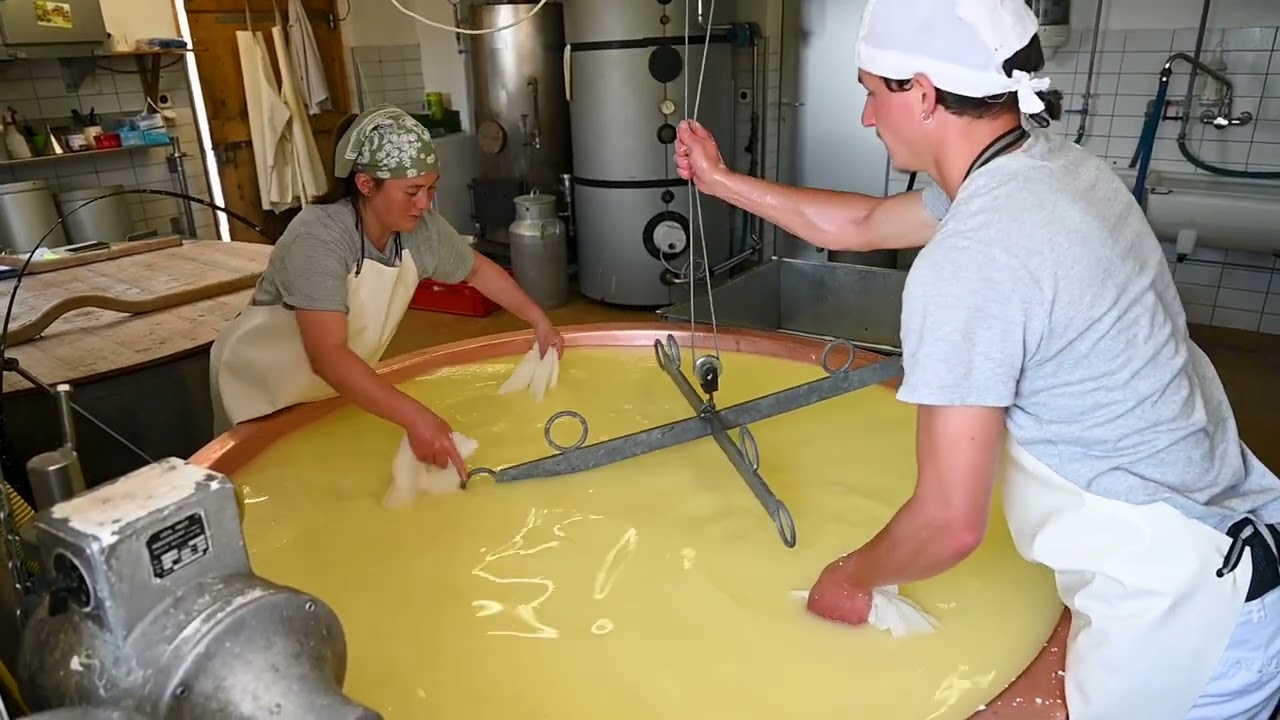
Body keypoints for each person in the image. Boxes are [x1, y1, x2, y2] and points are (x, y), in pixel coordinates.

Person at [675, 1, 1280, 718]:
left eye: (872, 92)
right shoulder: (1055, 169)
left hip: (1188, 619)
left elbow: (949, 523)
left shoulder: (976, 257)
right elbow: (862, 223)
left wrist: (850, 576)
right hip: (1238, 541)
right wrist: (719, 181)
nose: (867, 117)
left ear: (922, 93)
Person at [210, 105, 563, 476]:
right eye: (412, 191)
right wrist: (416, 418)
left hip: (329, 387)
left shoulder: (420, 230)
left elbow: (476, 270)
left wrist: (537, 320)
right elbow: (327, 354)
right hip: (260, 386)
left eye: (431, 188)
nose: (425, 203)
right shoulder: (319, 237)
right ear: (366, 185)